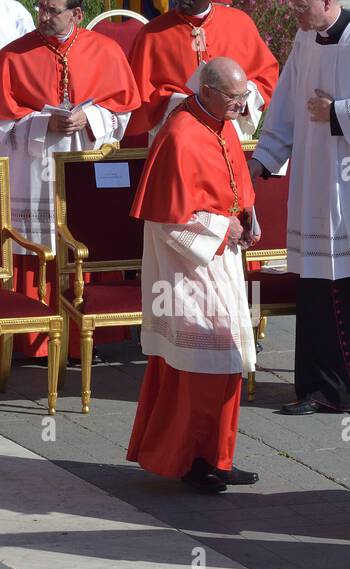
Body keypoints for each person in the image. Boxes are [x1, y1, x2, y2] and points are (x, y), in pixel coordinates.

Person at [248, 0, 350, 415]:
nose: (295, 14)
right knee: (316, 283)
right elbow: (285, 104)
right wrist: (263, 159)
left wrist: (337, 112)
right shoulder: (306, 39)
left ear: (328, 2)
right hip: (313, 180)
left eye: (302, 6)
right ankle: (319, 387)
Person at [126, 57, 257, 494]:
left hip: (222, 260)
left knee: (229, 363)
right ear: (208, 90)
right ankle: (188, 460)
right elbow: (168, 220)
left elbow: (236, 185)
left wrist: (247, 218)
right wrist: (225, 228)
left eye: (244, 95)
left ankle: (219, 457)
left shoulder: (224, 123)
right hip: (188, 269)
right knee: (200, 367)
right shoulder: (181, 135)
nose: (243, 104)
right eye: (235, 97)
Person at [0, 0, 140, 357]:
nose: (43, 17)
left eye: (52, 10)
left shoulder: (105, 51)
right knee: (37, 245)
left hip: (84, 169)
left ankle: (89, 338)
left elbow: (123, 115)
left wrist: (90, 117)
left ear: (77, 14)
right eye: (40, 9)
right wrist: (42, 122)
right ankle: (31, 341)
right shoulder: (13, 56)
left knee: (86, 240)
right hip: (33, 171)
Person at [126, 0, 279, 142]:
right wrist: (179, 103)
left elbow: (265, 76)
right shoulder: (150, 35)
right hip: (176, 139)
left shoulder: (240, 24)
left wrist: (237, 99)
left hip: (230, 136)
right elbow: (138, 99)